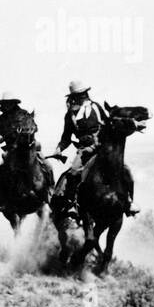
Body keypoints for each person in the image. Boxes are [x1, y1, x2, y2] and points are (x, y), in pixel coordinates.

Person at [48, 80, 131, 213]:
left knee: (124, 169)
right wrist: (59, 149)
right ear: (73, 97)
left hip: (103, 148)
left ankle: (129, 201)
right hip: (84, 150)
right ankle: (72, 204)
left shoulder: (96, 107)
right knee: (74, 171)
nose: (83, 96)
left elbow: (108, 125)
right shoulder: (70, 115)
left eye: (84, 93)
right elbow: (66, 137)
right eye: (79, 94)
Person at [0, 92, 40, 203]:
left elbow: (35, 128)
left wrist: (30, 130)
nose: (7, 105)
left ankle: (50, 192)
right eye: (5, 103)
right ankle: (2, 198)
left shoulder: (25, 115)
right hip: (11, 149)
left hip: (29, 146)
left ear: (14, 103)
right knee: (1, 170)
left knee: (47, 165)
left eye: (9, 103)